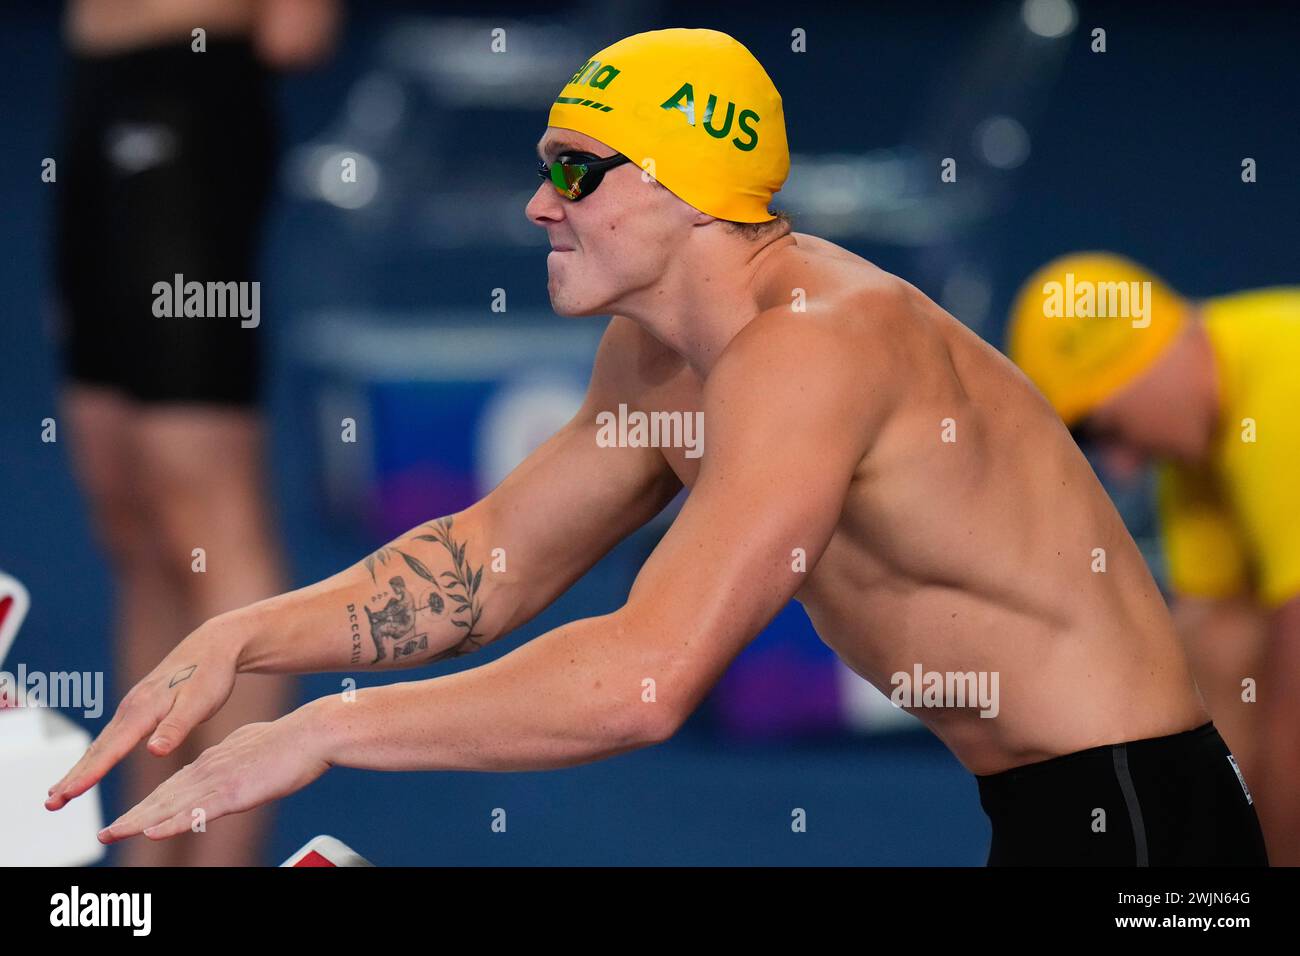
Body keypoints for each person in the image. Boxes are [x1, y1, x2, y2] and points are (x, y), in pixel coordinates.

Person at [47, 28, 1266, 866]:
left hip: (1144, 821)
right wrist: (245, 636)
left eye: (575, 170)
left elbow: (643, 682)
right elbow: (487, 565)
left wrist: (318, 726)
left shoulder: (818, 344)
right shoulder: (658, 353)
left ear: (691, 186)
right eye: (543, 171)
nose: (539, 205)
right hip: (1049, 802)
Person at [49, 0, 339, 865]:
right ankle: (149, 856)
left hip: (187, 105)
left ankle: (220, 858)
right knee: (130, 513)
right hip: (97, 89)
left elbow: (300, 29)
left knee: (208, 519)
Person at [1007, 251, 1300, 864]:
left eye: (1106, 427)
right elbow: (1211, 665)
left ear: (1146, 360)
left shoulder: (1285, 386)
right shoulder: (1194, 454)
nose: (1122, 466)